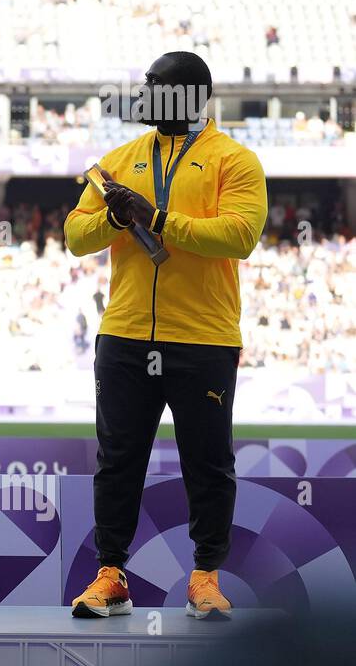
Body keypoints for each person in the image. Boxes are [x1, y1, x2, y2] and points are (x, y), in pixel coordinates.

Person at [64, 51, 267, 620]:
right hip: (125, 333)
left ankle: (205, 577)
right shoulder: (118, 160)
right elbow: (77, 235)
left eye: (155, 86)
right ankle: (110, 575)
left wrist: (156, 219)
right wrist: (117, 217)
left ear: (190, 96)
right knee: (118, 459)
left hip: (202, 336)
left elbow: (240, 235)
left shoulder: (236, 161)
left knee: (206, 462)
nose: (144, 94)